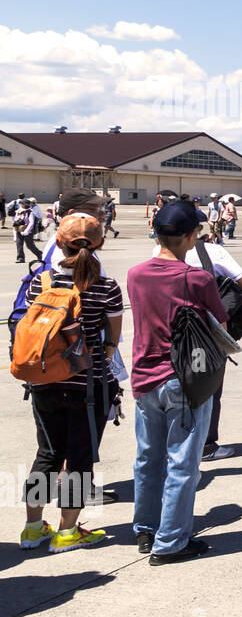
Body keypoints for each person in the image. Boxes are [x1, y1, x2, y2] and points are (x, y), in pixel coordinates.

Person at [128, 200, 228, 565]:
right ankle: (170, 542)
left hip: (144, 378)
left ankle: (146, 527)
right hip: (183, 379)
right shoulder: (198, 279)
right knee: (183, 462)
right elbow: (221, 327)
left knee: (147, 458)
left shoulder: (136, 274)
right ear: (189, 237)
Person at [18, 215, 123, 554]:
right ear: (99, 244)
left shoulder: (42, 281)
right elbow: (112, 340)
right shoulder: (107, 287)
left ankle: (33, 528)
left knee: (47, 453)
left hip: (45, 381)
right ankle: (66, 532)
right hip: (89, 385)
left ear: (58, 243)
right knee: (79, 458)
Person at [151, 232, 242, 462]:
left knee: (175, 388)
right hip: (204, 340)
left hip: (170, 336)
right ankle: (205, 445)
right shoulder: (213, 251)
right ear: (194, 231)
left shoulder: (157, 254)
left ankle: (172, 444)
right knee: (207, 389)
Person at [13, 198, 42, 263]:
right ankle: (20, 258)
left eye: (21, 203)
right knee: (19, 244)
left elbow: (31, 223)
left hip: (28, 231)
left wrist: (27, 231)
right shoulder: (18, 211)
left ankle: (40, 254)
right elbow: (15, 219)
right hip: (19, 230)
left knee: (30, 245)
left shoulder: (30, 212)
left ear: (24, 204)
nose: (20, 204)